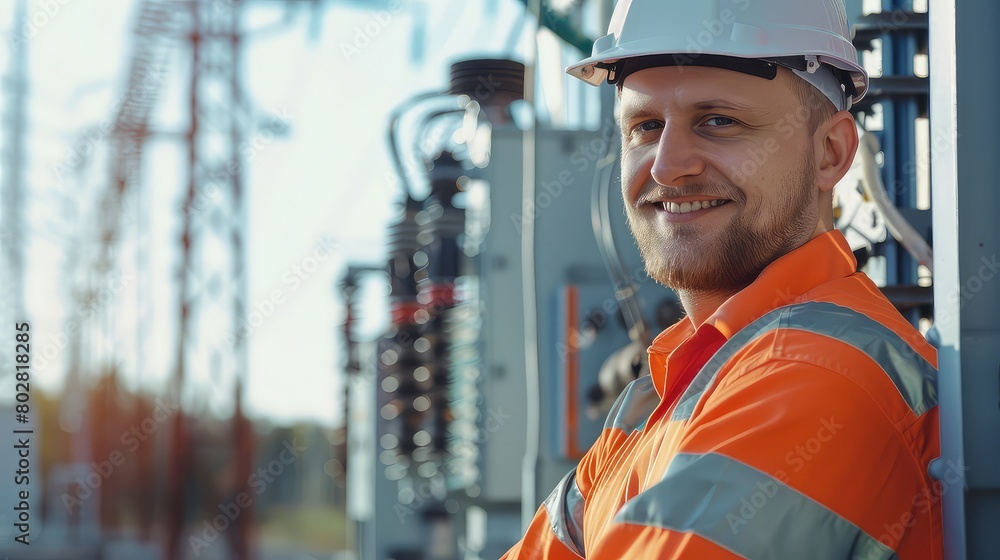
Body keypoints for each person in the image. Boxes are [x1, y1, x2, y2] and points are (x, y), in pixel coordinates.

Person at [502, 0, 942, 558]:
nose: (666, 166)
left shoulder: (815, 373)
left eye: (718, 121)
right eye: (645, 126)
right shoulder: (663, 394)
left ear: (831, 153)